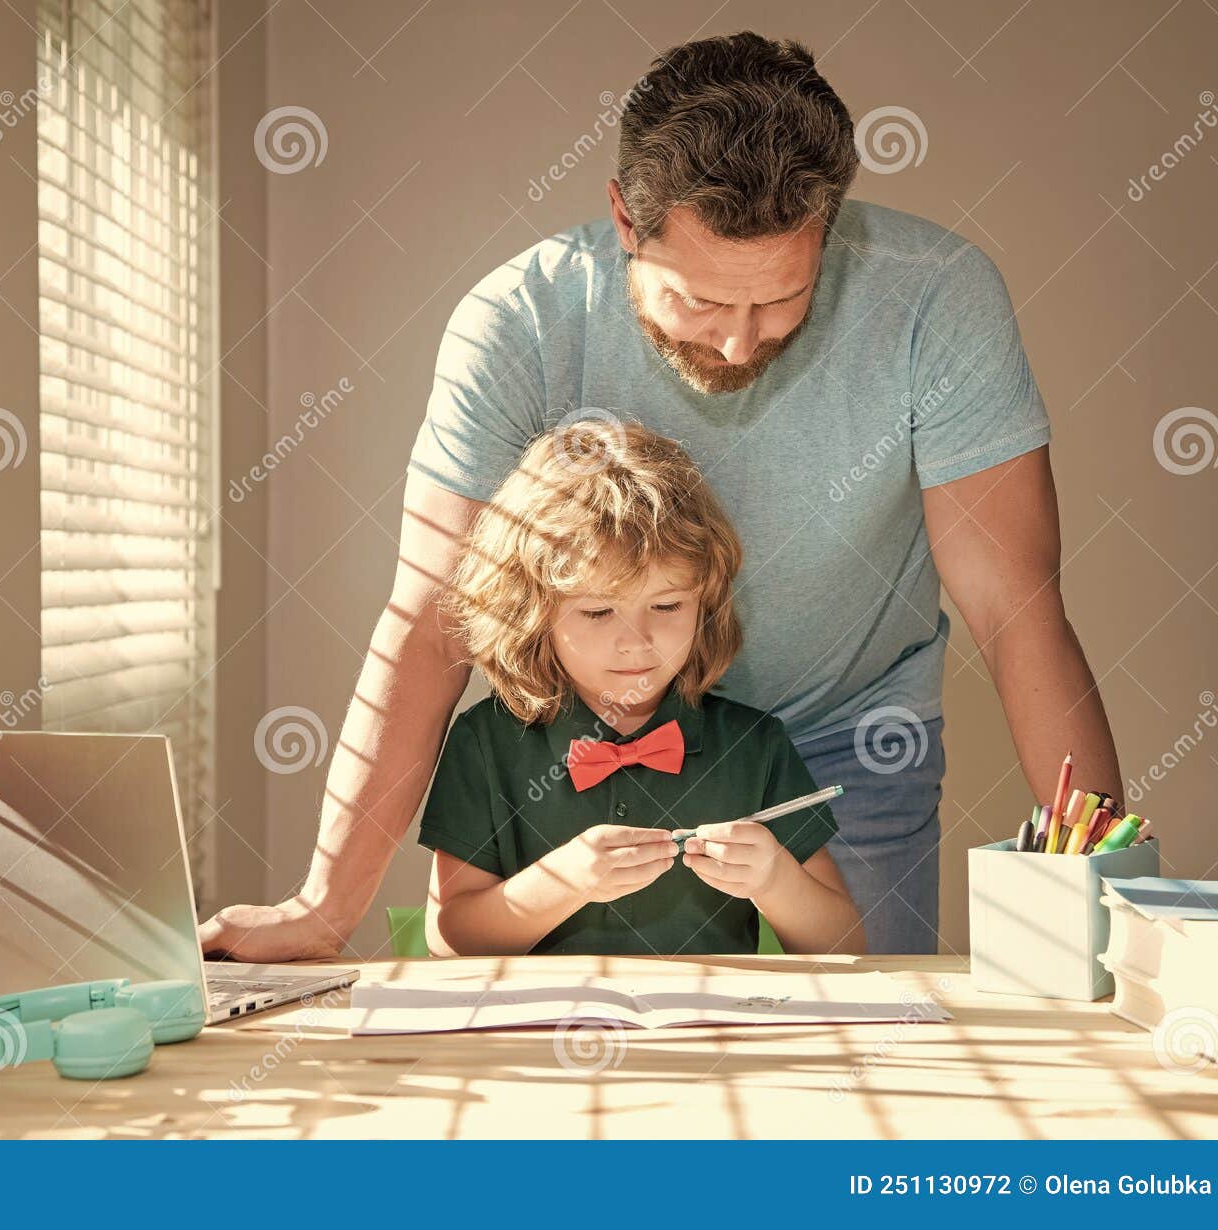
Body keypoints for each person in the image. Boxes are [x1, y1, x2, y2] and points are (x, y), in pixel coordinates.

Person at [200, 31, 1121, 961]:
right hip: (586, 738)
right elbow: (435, 617)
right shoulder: (516, 322)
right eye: (701, 302)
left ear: (829, 229)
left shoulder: (939, 300)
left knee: (863, 1051)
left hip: (848, 742)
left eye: (781, 300)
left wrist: (1104, 896)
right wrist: (323, 912)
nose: (737, 344)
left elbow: (1018, 607)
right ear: (624, 220)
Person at [419, 421, 862, 957]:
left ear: (707, 600)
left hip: (712, 1033)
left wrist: (775, 882)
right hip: (533, 1033)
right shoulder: (484, 742)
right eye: (599, 611)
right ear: (531, 612)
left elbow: (843, 944)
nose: (638, 642)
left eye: (668, 606)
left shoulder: (756, 745)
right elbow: (449, 940)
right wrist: (560, 885)